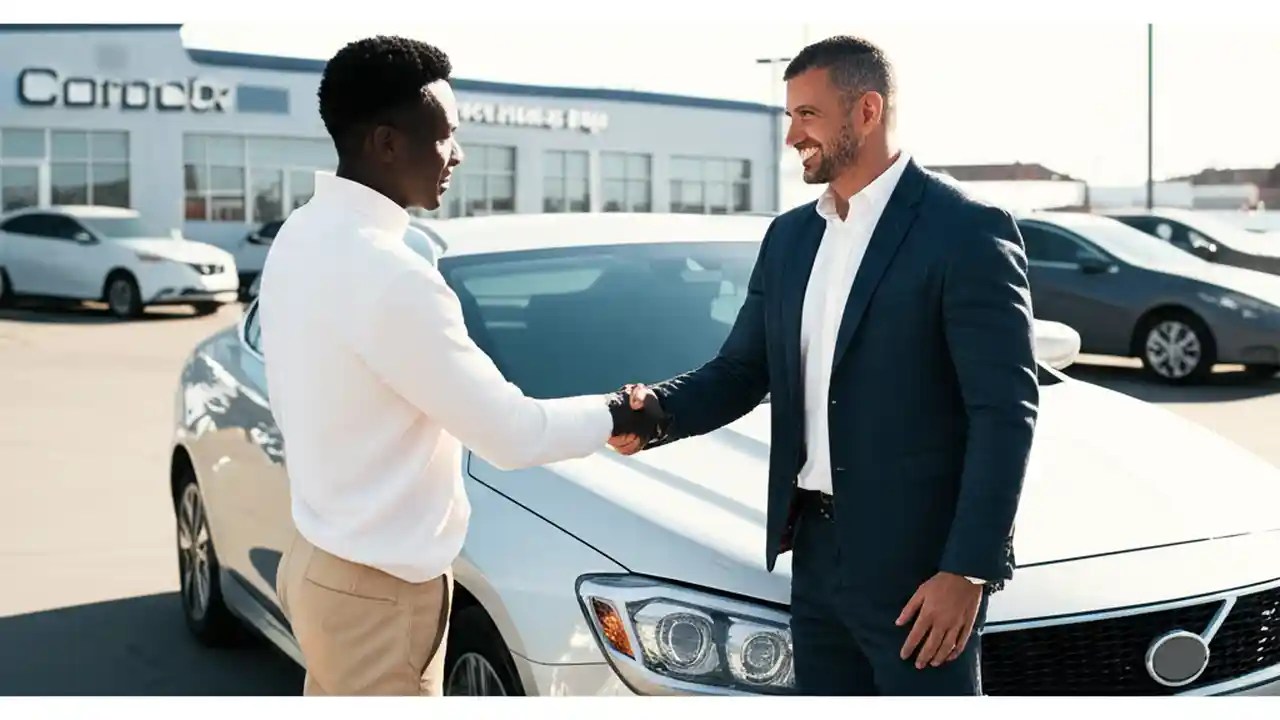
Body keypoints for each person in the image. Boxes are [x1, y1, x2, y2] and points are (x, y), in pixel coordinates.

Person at [611, 35, 1039, 695]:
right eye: (789, 116)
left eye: (807, 115)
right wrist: (657, 412)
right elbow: (742, 369)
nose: (791, 137)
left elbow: (1004, 414)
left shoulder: (966, 231)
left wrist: (969, 571)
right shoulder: (791, 237)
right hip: (814, 554)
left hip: (920, 572)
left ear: (866, 112)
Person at [257, 35, 663, 696]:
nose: (458, 154)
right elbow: (512, 435)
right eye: (444, 135)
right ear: (387, 144)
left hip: (324, 568)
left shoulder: (305, 233)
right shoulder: (389, 275)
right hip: (377, 602)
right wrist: (621, 412)